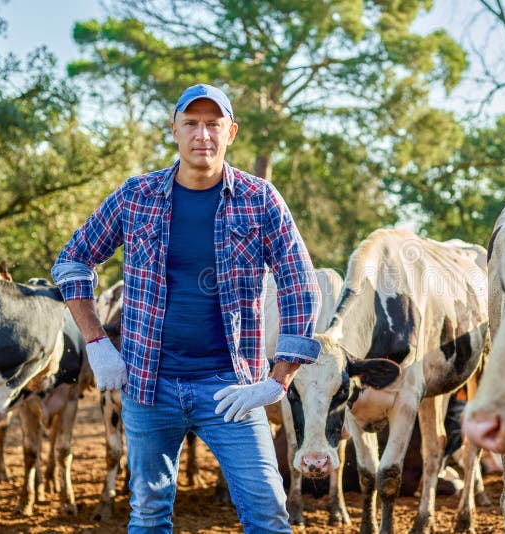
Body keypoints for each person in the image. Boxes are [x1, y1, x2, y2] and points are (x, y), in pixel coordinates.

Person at [51, 83, 321, 533]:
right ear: (173, 130)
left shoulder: (260, 200)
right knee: (149, 513)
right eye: (191, 124)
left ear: (230, 132)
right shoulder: (136, 196)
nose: (203, 135)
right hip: (148, 385)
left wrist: (278, 381)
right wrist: (97, 342)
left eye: (213, 124)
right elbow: (72, 260)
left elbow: (300, 282)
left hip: (233, 390)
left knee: (268, 512)